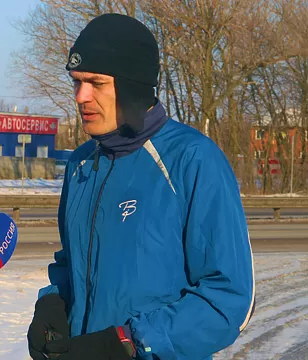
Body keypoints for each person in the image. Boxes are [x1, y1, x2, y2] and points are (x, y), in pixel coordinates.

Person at [27, 13, 255, 360]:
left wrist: (129, 342)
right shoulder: (81, 164)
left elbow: (229, 300)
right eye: (76, 82)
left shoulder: (192, 160)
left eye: (96, 83)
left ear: (132, 85)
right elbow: (73, 263)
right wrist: (53, 304)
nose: (80, 96)